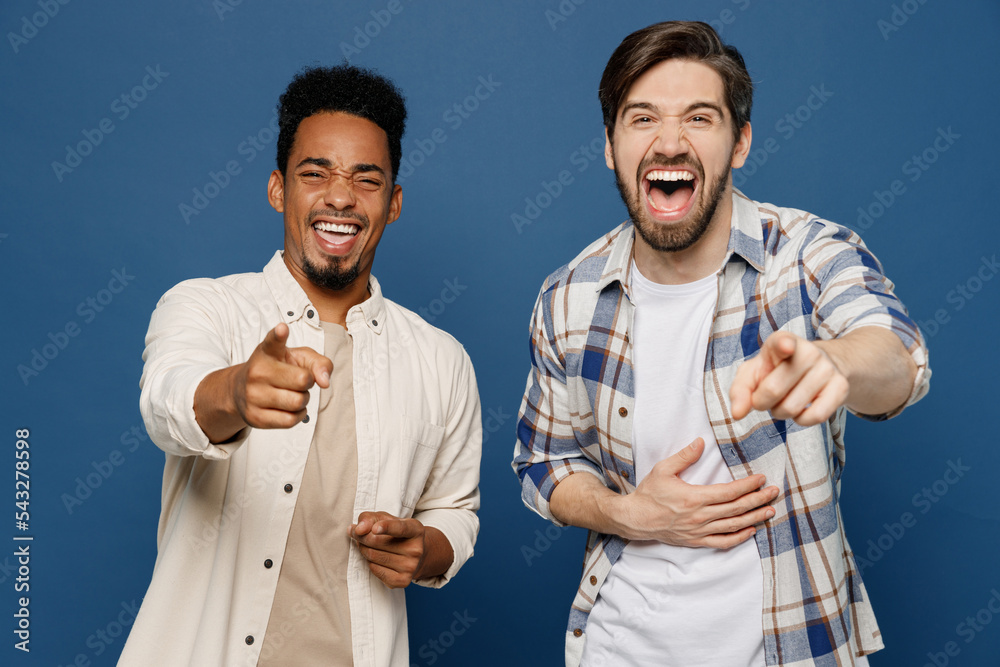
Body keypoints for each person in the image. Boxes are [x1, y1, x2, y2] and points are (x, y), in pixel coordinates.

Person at [512, 21, 929, 667]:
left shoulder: (808, 255)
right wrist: (630, 513)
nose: (669, 143)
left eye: (700, 118)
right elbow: (544, 464)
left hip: (793, 646)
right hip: (616, 647)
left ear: (740, 142)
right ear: (609, 144)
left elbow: (898, 358)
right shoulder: (568, 296)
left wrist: (836, 363)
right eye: (642, 117)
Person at [120, 65, 482, 667]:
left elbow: (454, 510)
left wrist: (429, 549)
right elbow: (167, 399)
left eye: (366, 180)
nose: (340, 196)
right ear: (278, 189)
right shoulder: (205, 306)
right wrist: (236, 393)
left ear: (392, 204)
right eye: (315, 174)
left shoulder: (441, 359)